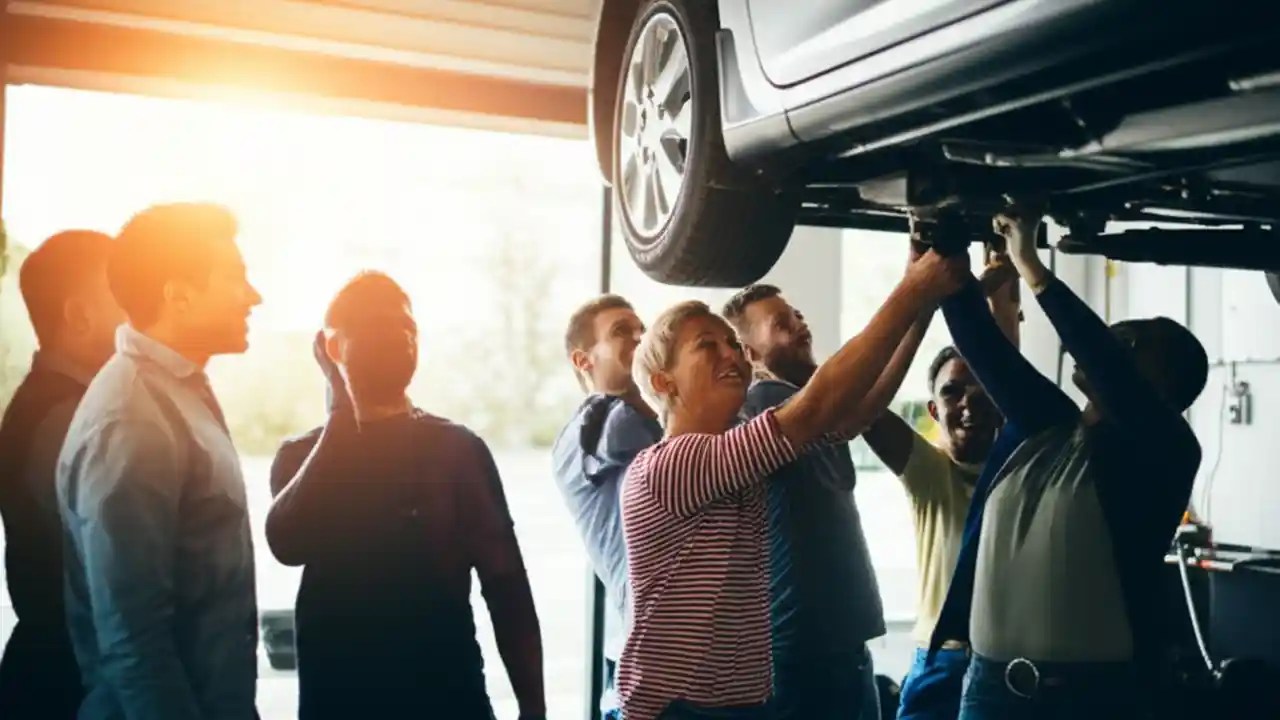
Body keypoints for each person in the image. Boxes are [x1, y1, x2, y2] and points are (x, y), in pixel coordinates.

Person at [618, 249, 967, 720]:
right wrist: (913, 291)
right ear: (664, 383)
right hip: (677, 709)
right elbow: (819, 404)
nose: (732, 353)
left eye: (732, 343)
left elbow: (855, 410)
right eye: (707, 345)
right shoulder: (672, 463)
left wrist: (919, 295)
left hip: (741, 704)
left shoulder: (741, 459)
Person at [927, 208, 1209, 720]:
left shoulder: (1169, 451)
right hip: (988, 690)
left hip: (1088, 699)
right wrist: (937, 240)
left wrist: (1031, 264)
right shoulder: (1045, 423)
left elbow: (1105, 365)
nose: (1110, 339)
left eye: (1129, 344)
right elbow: (977, 339)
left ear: (1163, 389)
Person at [265, 271, 546, 720]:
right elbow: (287, 542)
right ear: (332, 348)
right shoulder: (301, 456)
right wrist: (340, 413)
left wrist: (534, 705)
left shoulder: (457, 450)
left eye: (408, 328)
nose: (399, 338)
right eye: (379, 326)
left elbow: (507, 585)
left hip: (447, 700)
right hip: (340, 703)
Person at [56, 203, 263, 720]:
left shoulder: (176, 393)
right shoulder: (131, 418)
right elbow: (134, 640)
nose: (254, 296)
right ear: (179, 294)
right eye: (237, 278)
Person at [722, 273, 926, 720]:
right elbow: (860, 405)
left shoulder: (812, 407)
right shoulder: (764, 406)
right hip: (802, 657)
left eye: (795, 315)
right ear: (751, 354)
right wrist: (917, 296)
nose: (799, 325)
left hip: (837, 649)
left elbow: (864, 404)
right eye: (781, 323)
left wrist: (921, 307)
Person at [860, 256, 1020, 720]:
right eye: (953, 392)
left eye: (981, 389)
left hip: (1004, 663)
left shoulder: (1019, 465)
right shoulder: (930, 473)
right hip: (943, 659)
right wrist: (922, 295)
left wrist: (1005, 288)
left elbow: (1010, 373)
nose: (969, 402)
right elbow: (866, 401)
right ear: (933, 410)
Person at [0, 231, 124, 719]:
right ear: (79, 315)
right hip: (67, 684)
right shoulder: (70, 419)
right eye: (123, 295)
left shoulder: (46, 405)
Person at [551, 294, 661, 720]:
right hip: (651, 664)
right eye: (621, 333)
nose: (640, 338)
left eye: (642, 330)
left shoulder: (629, 418)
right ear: (584, 361)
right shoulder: (606, 421)